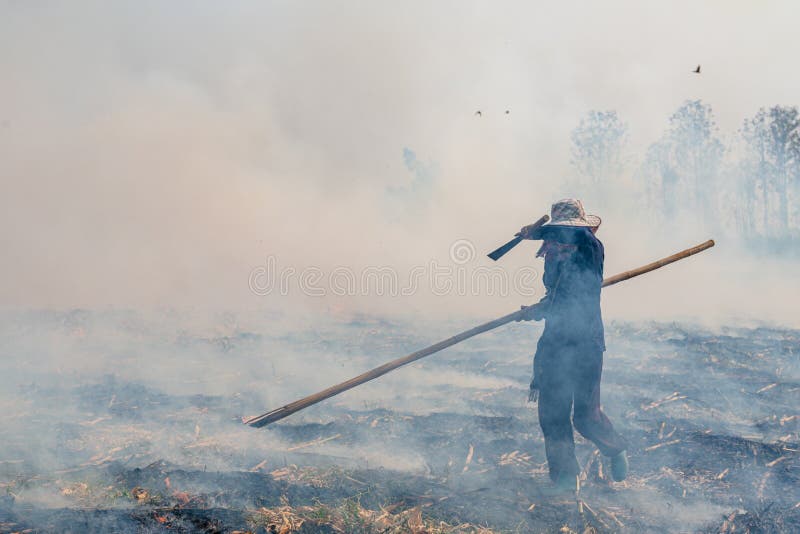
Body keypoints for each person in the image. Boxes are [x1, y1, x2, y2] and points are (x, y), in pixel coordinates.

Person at [517, 198, 628, 493]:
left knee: (585, 417)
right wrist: (539, 308)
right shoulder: (553, 251)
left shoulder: (591, 247)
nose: (559, 235)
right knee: (552, 414)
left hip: (586, 341)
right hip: (555, 341)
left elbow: (571, 298)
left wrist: (537, 232)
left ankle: (615, 448)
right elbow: (555, 295)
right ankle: (565, 478)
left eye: (564, 229)